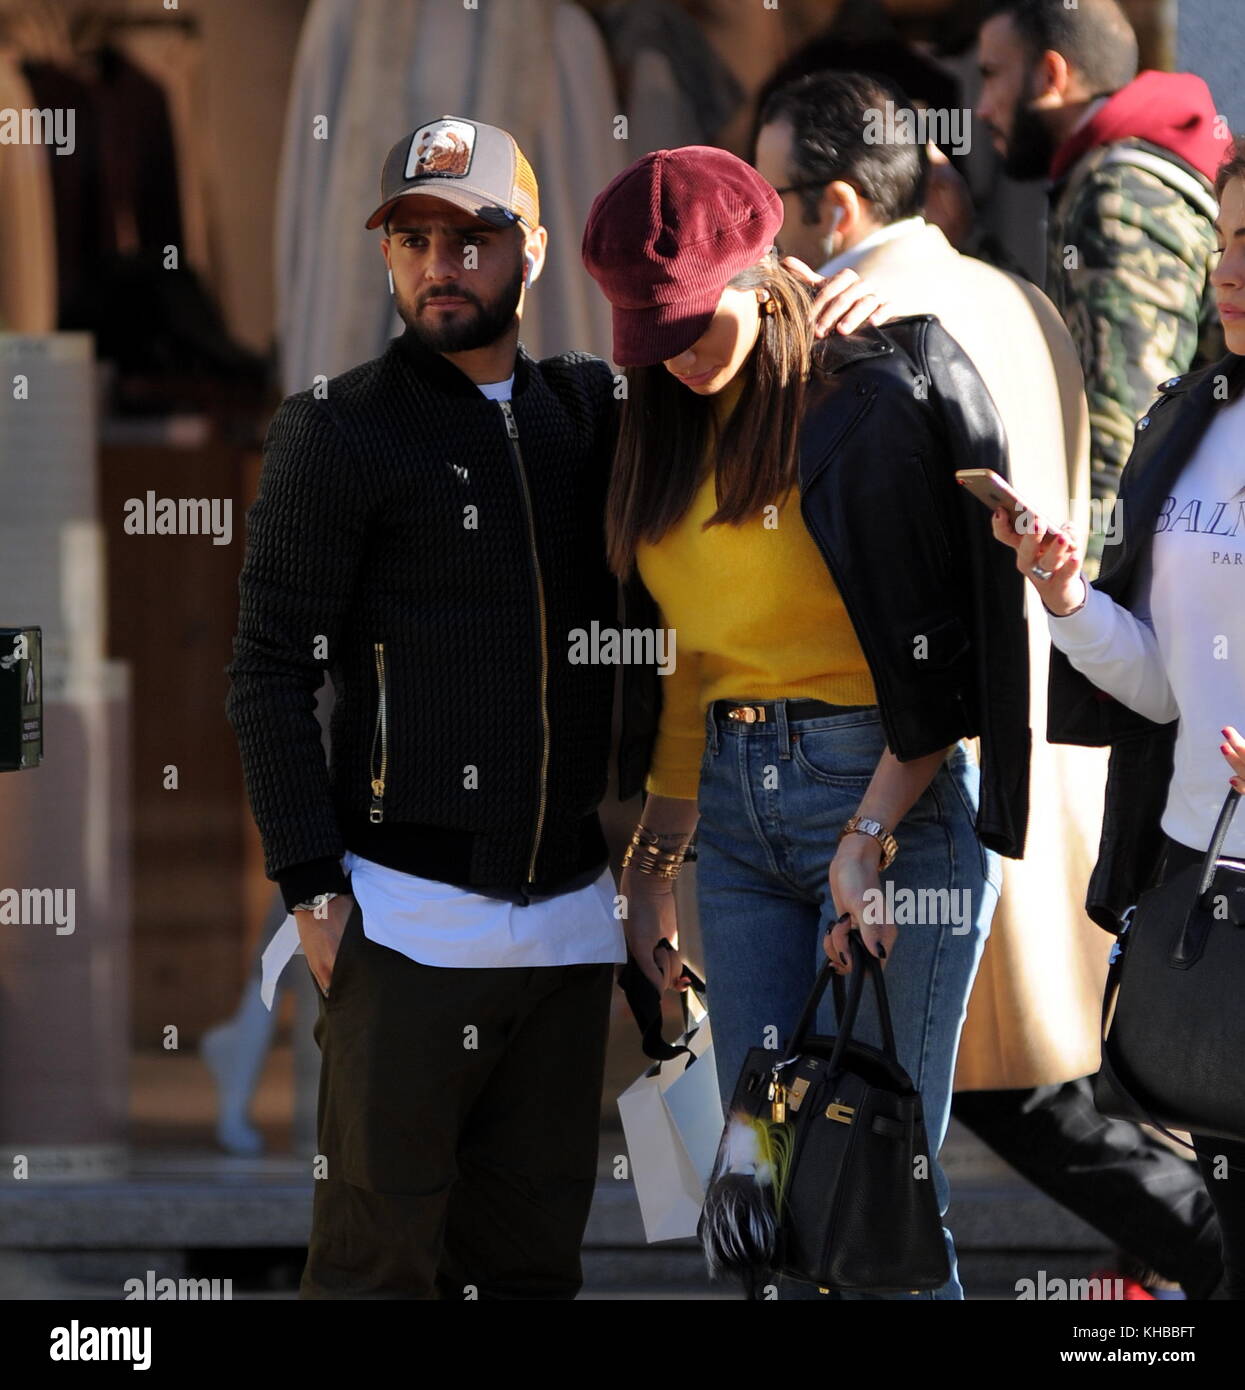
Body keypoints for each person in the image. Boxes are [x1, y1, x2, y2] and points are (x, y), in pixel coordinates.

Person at [225, 113, 881, 1300]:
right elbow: (269, 666)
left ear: (529, 251)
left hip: (572, 931)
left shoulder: (599, 410)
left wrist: (809, 299)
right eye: (413, 238)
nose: (440, 264)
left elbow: (724, 358)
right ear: (386, 257)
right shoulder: (336, 429)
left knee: (529, 1274)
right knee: (372, 1273)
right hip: (402, 924)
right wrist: (311, 886)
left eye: (472, 236)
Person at [755, 68, 1225, 1300]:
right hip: (1051, 749)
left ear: (835, 206)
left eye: (770, 201)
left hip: (912, 765)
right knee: (1008, 1096)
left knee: (978, 1104)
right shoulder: (1015, 293)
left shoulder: (851, 323)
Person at [582, 145, 1031, 1300]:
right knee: (760, 1212)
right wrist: (652, 863)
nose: (674, 359)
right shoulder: (659, 425)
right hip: (733, 825)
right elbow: (690, 674)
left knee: (872, 1209)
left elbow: (935, 671)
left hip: (884, 797)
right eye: (648, 337)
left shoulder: (861, 401)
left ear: (763, 272)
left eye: (691, 326)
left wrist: (867, 838)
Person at [992, 137, 1245, 1301]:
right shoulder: (1195, 420)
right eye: (1227, 241)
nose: (1230, 270)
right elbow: (1163, 687)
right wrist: (1067, 594)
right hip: (1202, 881)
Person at [976, 0, 1231, 575]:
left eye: (992, 75)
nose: (980, 107)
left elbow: (1125, 427)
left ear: (1050, 75)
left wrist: (1087, 613)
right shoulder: (1118, 169)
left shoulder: (1118, 193)